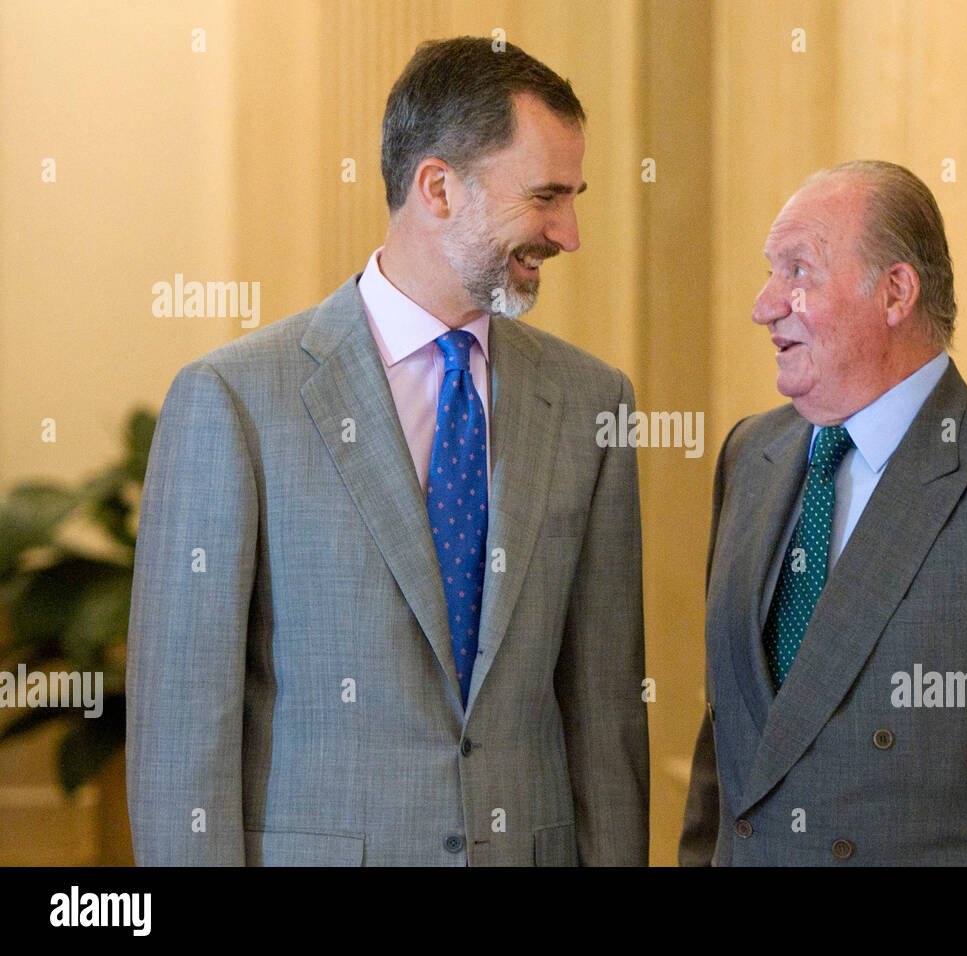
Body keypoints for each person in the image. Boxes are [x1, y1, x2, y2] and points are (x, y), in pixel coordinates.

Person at [127, 36, 649, 866]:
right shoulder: (234, 402)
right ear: (438, 187)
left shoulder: (594, 403)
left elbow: (605, 709)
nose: (571, 234)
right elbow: (180, 732)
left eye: (574, 198)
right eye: (547, 197)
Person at [680, 160, 967, 866]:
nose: (764, 304)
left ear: (896, 292)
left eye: (798, 272)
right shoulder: (752, 455)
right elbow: (731, 754)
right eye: (770, 273)